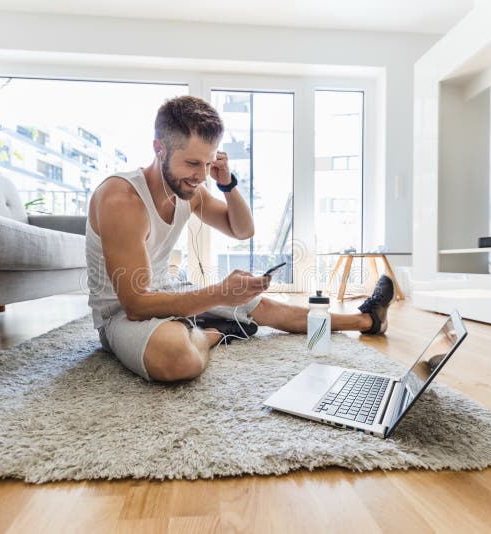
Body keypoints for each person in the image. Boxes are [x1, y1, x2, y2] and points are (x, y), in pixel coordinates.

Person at [86, 96, 395, 382]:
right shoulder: (122, 200)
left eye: (208, 164)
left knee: (263, 306)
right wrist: (219, 294)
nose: (201, 176)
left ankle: (366, 320)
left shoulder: (189, 191)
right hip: (120, 314)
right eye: (192, 163)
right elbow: (136, 305)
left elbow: (243, 230)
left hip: (166, 291)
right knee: (177, 357)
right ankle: (213, 333)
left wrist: (228, 185)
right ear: (159, 148)